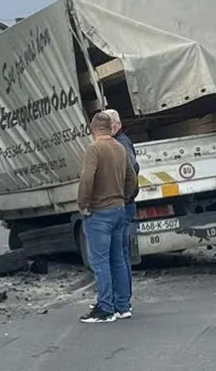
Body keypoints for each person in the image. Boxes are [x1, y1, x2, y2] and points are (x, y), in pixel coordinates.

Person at [78, 112, 137, 323]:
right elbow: (132, 178)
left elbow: (87, 178)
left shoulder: (94, 149)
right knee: (119, 259)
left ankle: (105, 308)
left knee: (100, 261)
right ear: (109, 127)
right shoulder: (120, 147)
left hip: (99, 211)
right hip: (119, 208)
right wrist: (125, 197)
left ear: (93, 128)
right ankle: (123, 306)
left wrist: (83, 204)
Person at [105, 108, 139, 304]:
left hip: (123, 205)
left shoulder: (120, 144)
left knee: (118, 254)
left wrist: (124, 196)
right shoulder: (120, 142)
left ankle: (121, 299)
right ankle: (120, 298)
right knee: (121, 253)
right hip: (124, 203)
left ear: (116, 125)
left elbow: (132, 170)